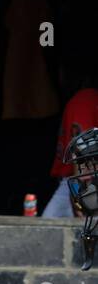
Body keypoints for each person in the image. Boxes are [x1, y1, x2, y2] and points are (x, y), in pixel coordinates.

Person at [41, 88, 98, 218]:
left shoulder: (83, 100)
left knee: (45, 228)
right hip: (83, 181)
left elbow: (82, 154)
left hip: (86, 182)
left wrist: (79, 195)